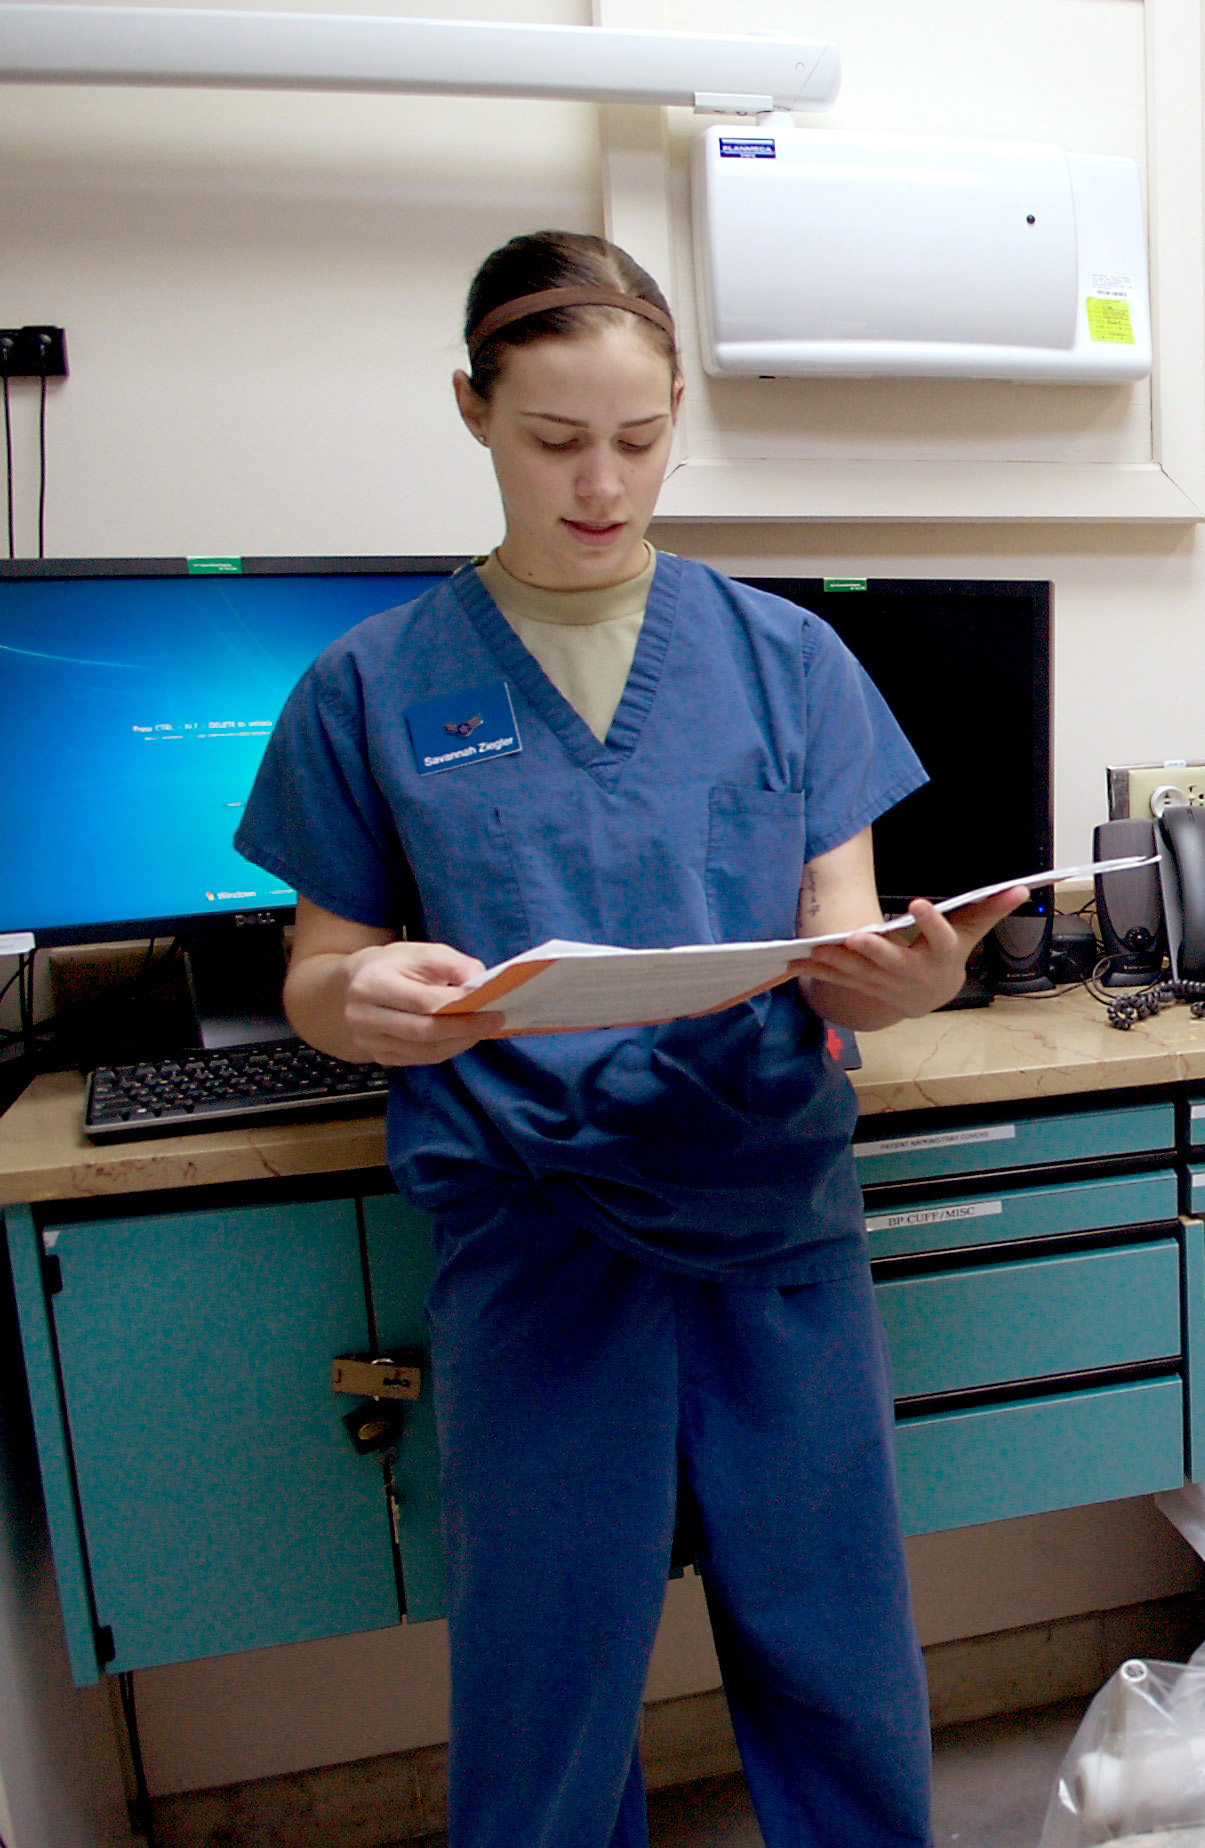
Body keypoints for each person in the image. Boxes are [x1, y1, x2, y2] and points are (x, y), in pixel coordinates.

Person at [234, 231, 1028, 1848]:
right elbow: (319, 970)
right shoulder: (372, 686)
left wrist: (913, 982)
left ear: (678, 414)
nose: (602, 484)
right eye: (553, 440)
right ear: (472, 410)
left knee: (833, 1645)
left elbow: (849, 939)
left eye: (640, 439)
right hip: (533, 1233)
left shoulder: (786, 660)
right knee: (548, 1669)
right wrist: (355, 1001)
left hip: (768, 1217)